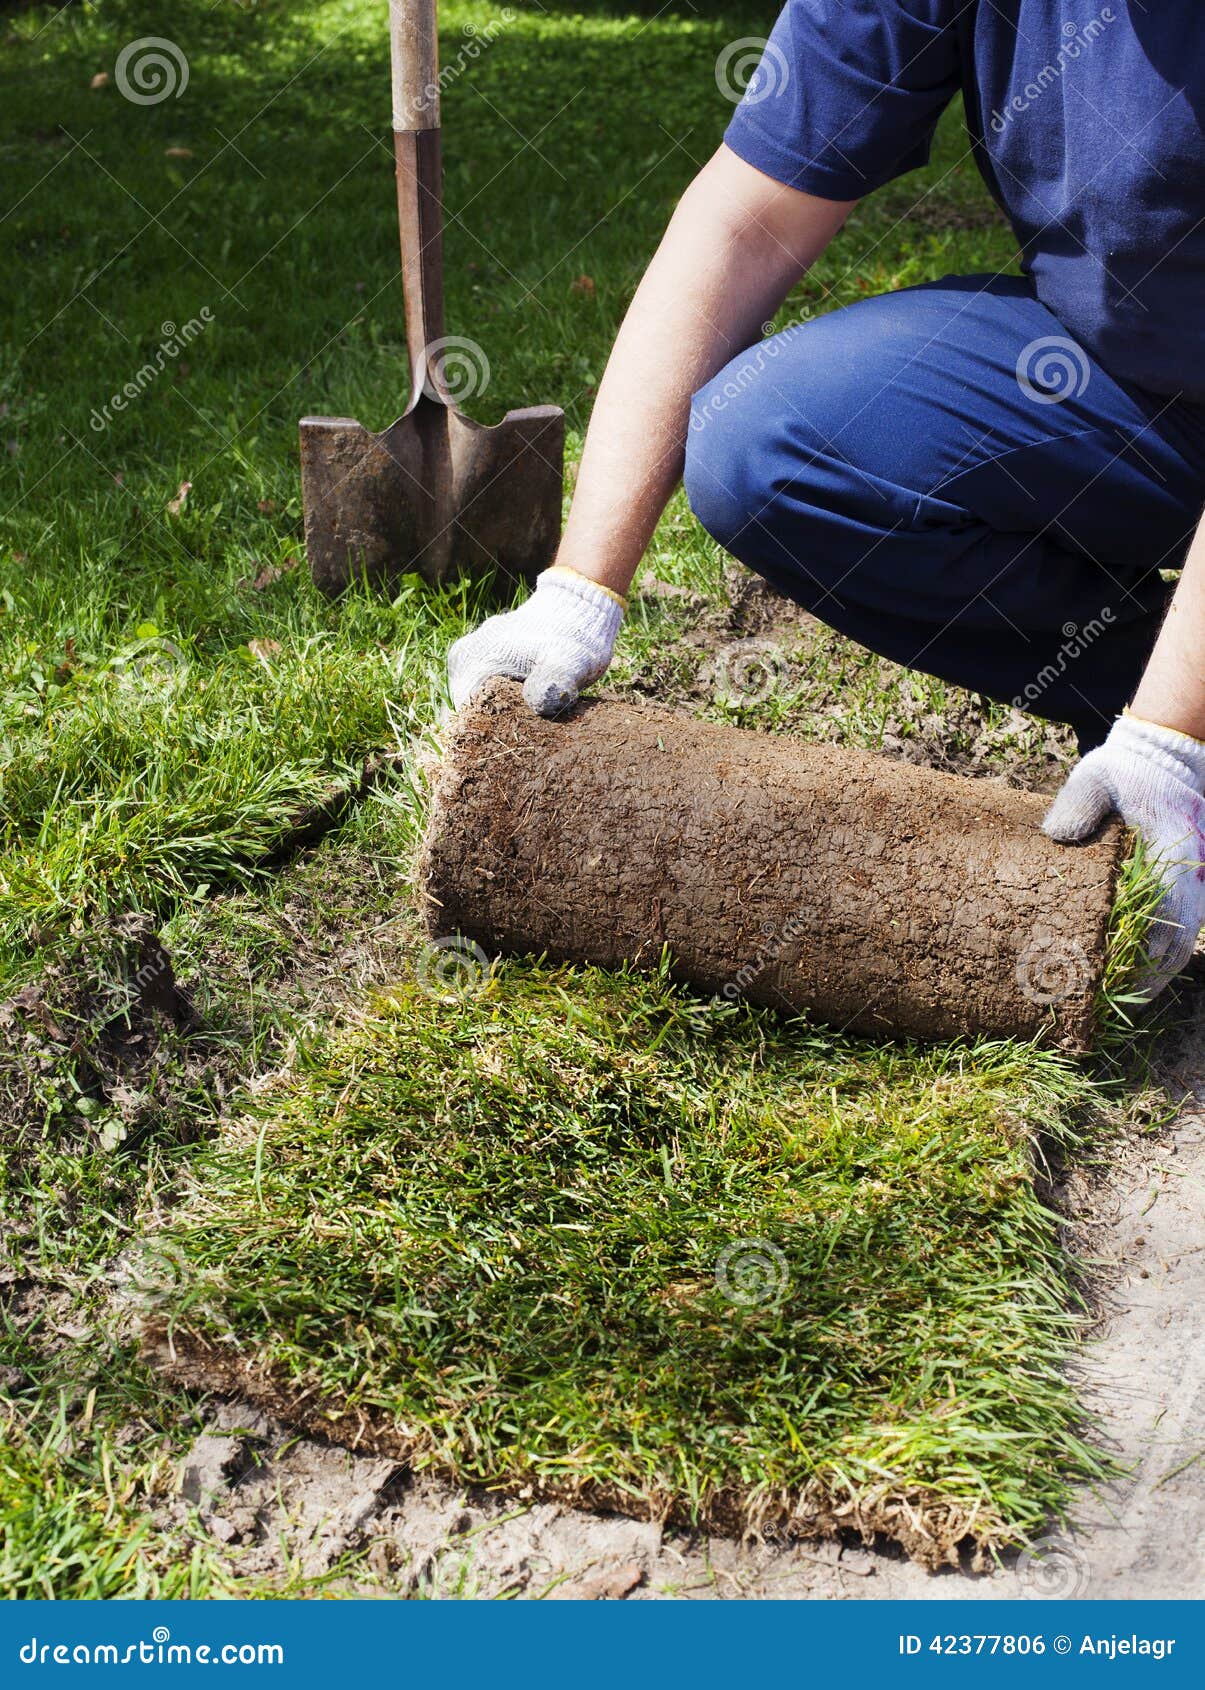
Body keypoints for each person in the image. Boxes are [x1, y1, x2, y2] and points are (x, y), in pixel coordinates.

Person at [447, 1, 1205, 996]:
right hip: (1125, 386)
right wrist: (577, 592)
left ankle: (1170, 738)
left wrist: (1170, 737)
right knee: (765, 442)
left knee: (1173, 733)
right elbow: (744, 222)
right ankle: (1143, 705)